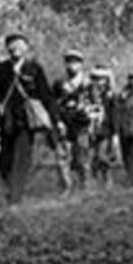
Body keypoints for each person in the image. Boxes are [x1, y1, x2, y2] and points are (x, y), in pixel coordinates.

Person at [0, 32, 62, 205]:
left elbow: (46, 95)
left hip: (26, 121)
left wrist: (55, 119)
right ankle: (10, 188)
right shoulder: (1, 69)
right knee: (4, 159)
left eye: (19, 45)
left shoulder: (34, 69)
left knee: (22, 158)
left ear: (26, 48)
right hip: (5, 120)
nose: (15, 48)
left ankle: (15, 197)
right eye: (11, 45)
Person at [52, 49, 91, 193]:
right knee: (62, 158)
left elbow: (97, 104)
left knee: (82, 158)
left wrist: (88, 112)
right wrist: (57, 121)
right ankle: (66, 187)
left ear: (81, 64)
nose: (71, 65)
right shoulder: (59, 83)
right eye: (68, 62)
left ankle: (85, 186)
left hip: (82, 126)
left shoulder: (88, 83)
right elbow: (53, 104)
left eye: (75, 62)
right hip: (64, 124)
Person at [86, 67, 119, 189]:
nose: (99, 81)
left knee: (102, 156)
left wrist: (115, 134)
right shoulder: (88, 93)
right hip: (89, 130)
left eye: (101, 79)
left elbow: (114, 115)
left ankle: (107, 179)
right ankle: (93, 181)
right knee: (90, 157)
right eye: (96, 78)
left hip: (105, 131)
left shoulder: (110, 95)